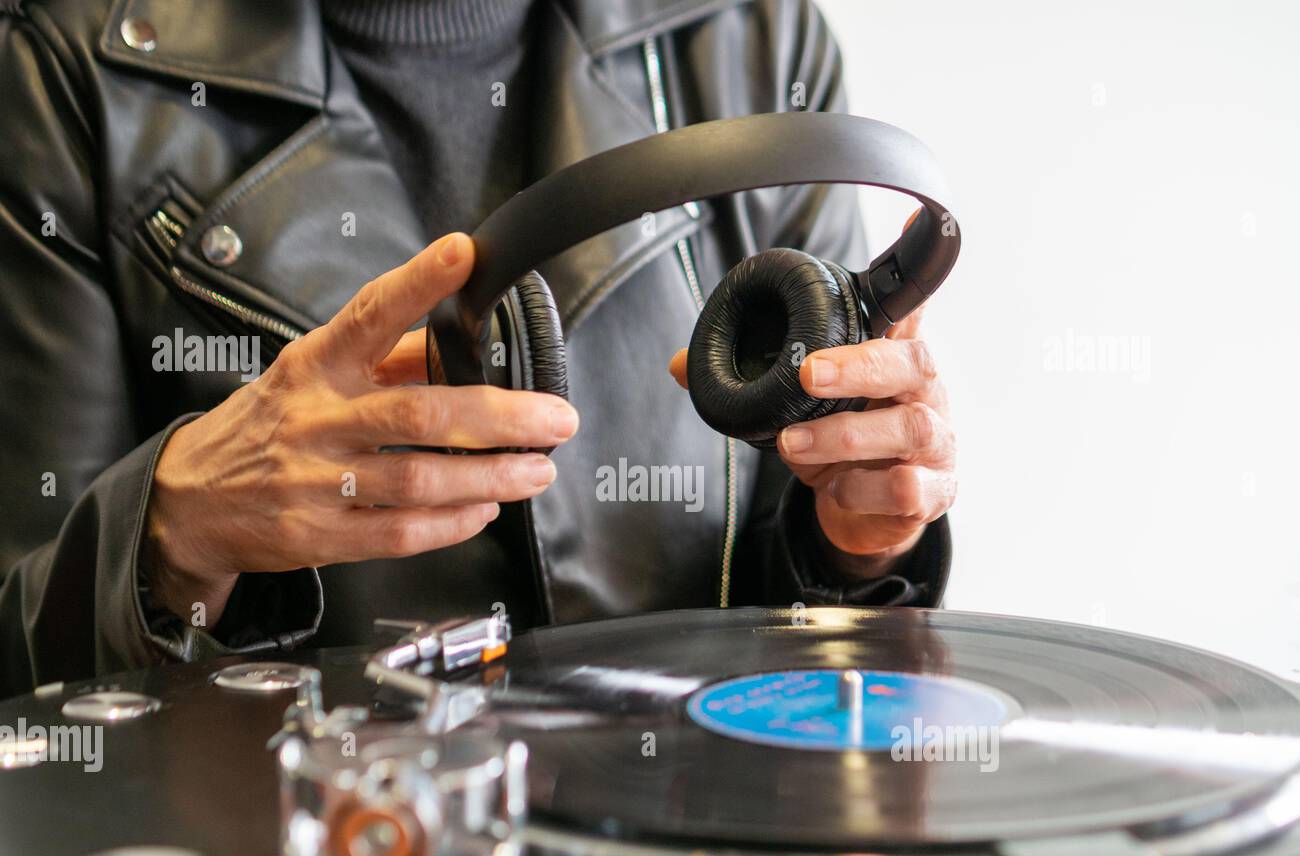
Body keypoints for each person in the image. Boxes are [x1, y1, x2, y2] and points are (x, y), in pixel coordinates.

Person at [0, 0, 957, 698]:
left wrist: (855, 548)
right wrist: (167, 533)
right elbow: (19, 650)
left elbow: (816, 637)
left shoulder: (752, 41)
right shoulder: (63, 76)